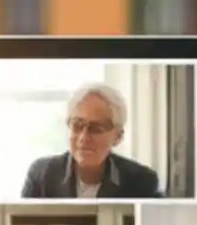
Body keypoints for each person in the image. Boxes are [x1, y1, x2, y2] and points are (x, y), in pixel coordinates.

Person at [20, 83, 162, 198]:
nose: (83, 137)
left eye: (96, 128)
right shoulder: (42, 174)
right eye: (77, 125)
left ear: (117, 136)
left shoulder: (142, 182)